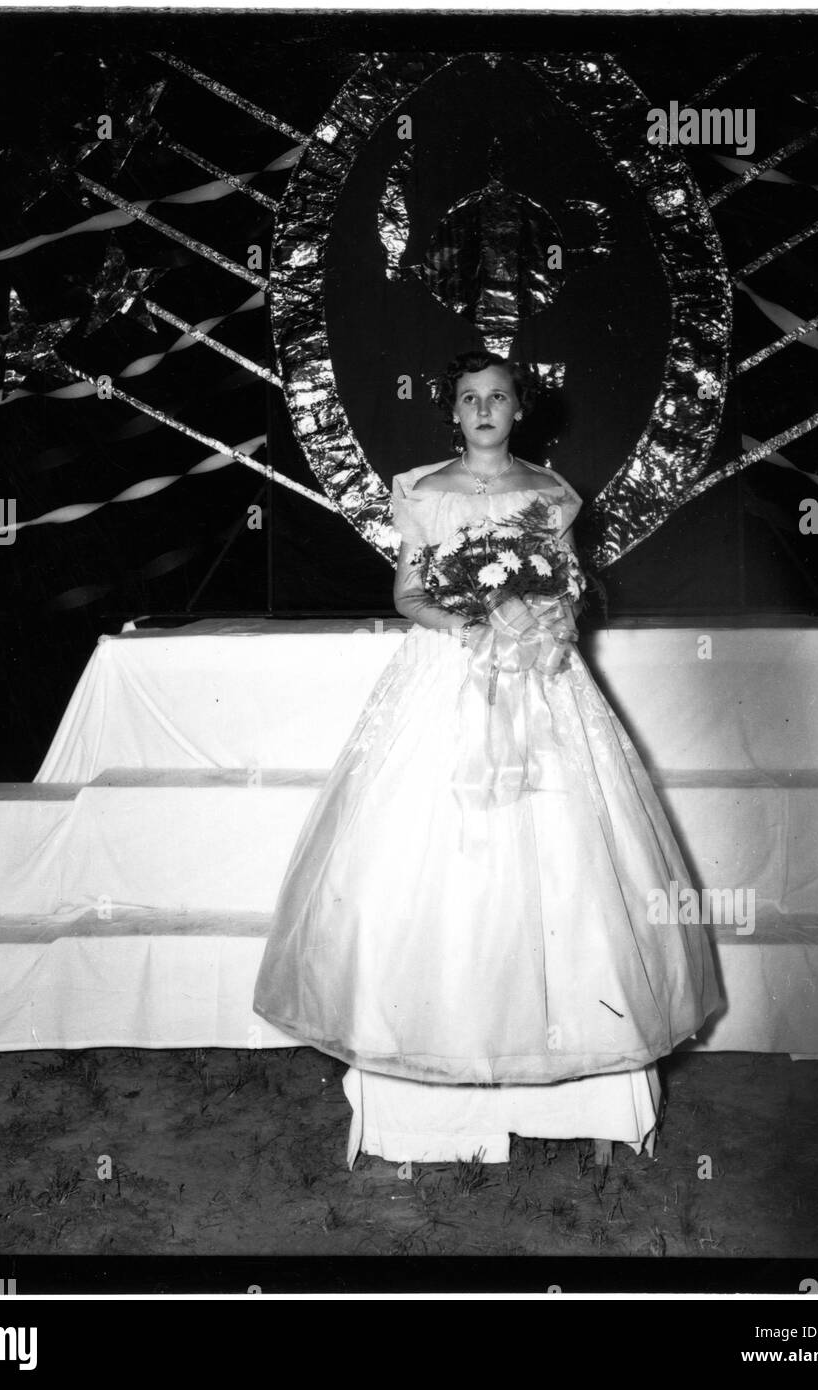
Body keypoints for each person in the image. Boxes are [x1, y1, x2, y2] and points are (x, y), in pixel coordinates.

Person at [253, 349, 721, 1167]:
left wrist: (541, 624)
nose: (483, 410)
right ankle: (423, 1083)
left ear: (518, 409)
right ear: (454, 412)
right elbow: (406, 593)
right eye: (469, 398)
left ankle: (590, 1086)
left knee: (565, 846)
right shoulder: (424, 493)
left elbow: (568, 586)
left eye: (498, 397)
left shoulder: (547, 493)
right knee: (436, 847)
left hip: (539, 681)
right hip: (448, 674)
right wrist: (472, 626)